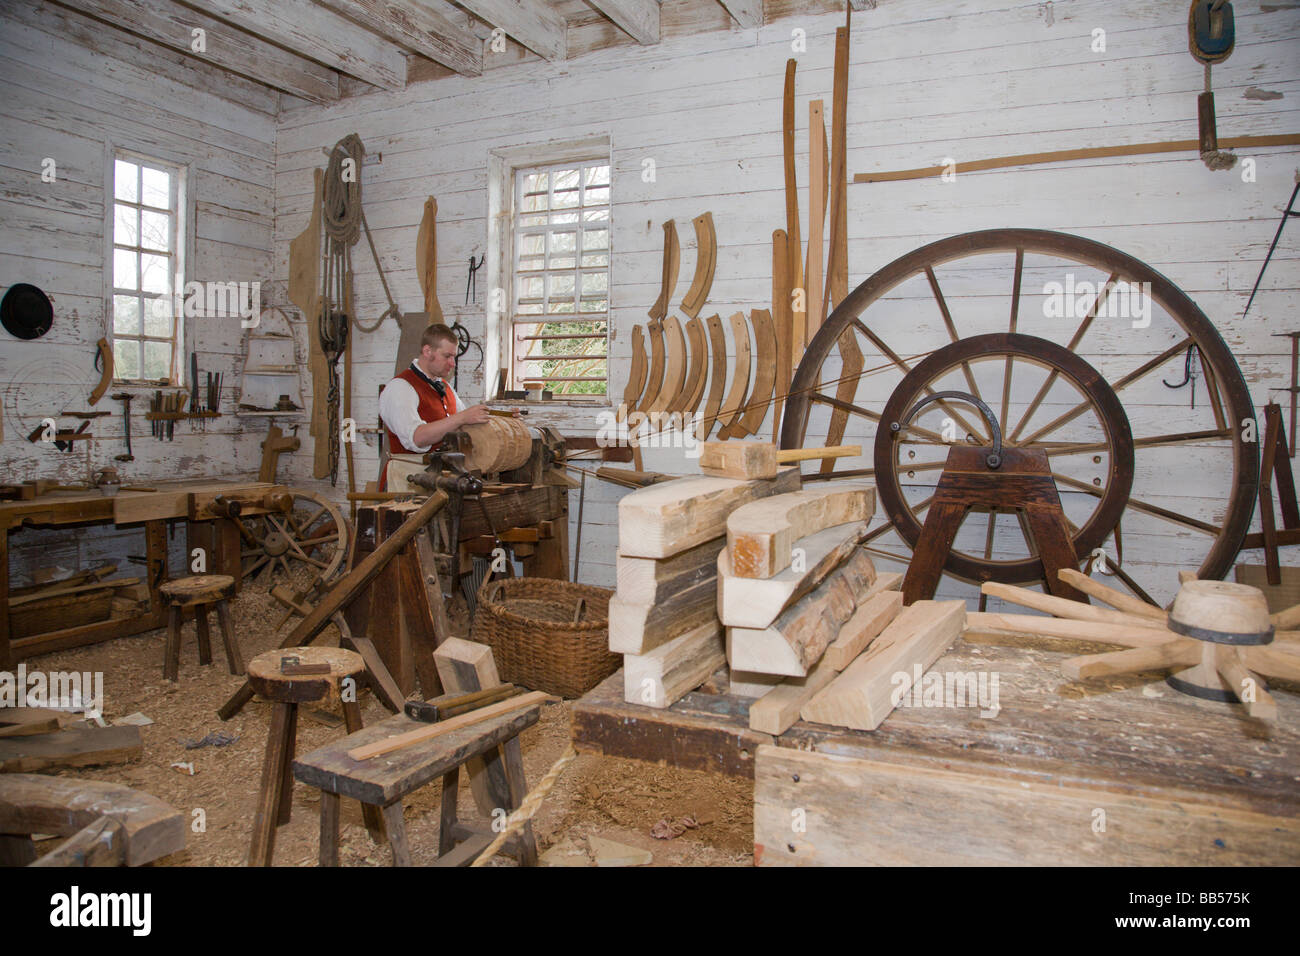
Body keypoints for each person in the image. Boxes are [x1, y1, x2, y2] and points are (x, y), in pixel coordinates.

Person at [378, 323, 490, 490]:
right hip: (407, 481)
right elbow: (417, 438)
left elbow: (464, 425)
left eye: (454, 357)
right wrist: (462, 417)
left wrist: (503, 420)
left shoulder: (445, 387)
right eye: (447, 356)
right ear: (427, 351)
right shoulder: (400, 388)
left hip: (440, 481)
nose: (453, 363)